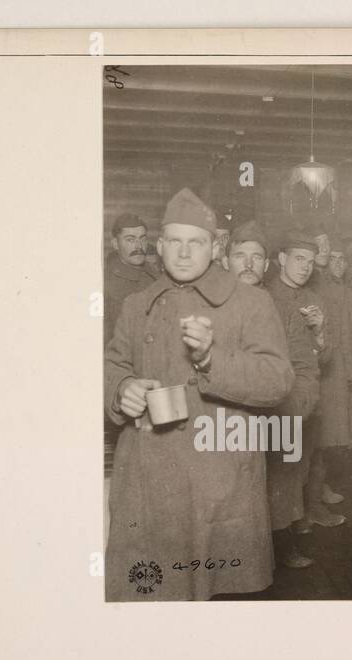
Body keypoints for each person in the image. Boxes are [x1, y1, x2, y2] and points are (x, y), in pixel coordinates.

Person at [104, 189, 294, 600]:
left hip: (218, 482)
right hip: (146, 483)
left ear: (215, 247)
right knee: (146, 603)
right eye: (175, 241)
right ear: (160, 245)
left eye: (197, 242)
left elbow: (278, 380)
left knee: (215, 611)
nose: (184, 253)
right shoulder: (138, 305)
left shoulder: (251, 302)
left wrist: (211, 360)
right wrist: (121, 389)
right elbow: (112, 364)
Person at [264, 230, 326, 566]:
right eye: (299, 259)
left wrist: (319, 332)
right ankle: (278, 550)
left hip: (303, 399)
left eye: (311, 262)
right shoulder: (265, 296)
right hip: (276, 397)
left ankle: (284, 543)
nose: (305, 267)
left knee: (292, 473)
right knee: (278, 475)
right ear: (281, 259)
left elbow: (322, 358)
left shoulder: (312, 299)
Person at [307, 227, 352, 517]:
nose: (339, 263)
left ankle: (321, 487)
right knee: (322, 433)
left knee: (332, 435)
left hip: (344, 371)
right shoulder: (319, 290)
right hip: (327, 372)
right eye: (335, 258)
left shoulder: (349, 293)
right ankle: (313, 496)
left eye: (344, 260)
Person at [104, 213, 160, 344]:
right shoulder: (106, 283)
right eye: (130, 240)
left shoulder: (156, 274)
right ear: (115, 244)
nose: (138, 246)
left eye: (142, 239)